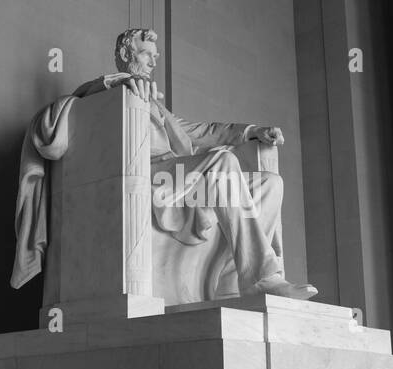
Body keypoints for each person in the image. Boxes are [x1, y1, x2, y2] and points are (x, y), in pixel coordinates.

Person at [69, 28, 316, 300]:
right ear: (126, 55)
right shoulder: (109, 93)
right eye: (146, 54)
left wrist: (252, 131)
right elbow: (77, 97)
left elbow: (203, 131)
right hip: (151, 175)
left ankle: (232, 286)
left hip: (182, 178)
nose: (152, 62)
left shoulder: (157, 106)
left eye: (155, 56)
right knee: (223, 160)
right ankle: (263, 278)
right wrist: (120, 82)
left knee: (270, 184)